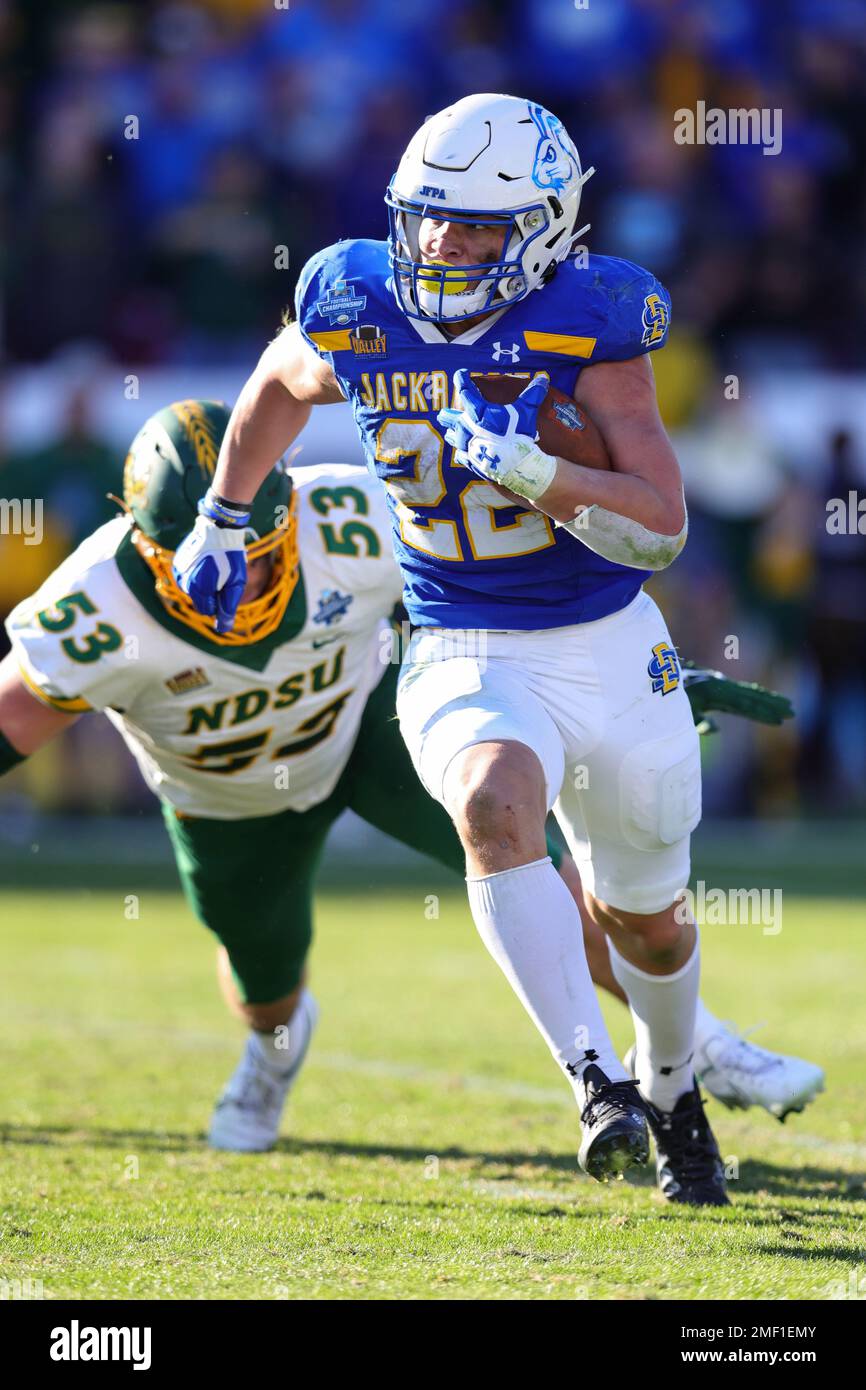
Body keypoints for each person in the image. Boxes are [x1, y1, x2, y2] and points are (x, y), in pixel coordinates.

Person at [170, 96, 822, 1201]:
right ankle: (592, 1083)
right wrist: (222, 514)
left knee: (649, 927)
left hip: (606, 638)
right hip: (461, 636)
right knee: (488, 803)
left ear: (545, 231)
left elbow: (659, 523)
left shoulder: (590, 319)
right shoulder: (358, 298)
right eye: (428, 218)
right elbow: (281, 381)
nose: (442, 244)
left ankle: (670, 1089)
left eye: (476, 226)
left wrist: (541, 475)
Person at [0, 400, 822, 1159]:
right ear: (141, 541)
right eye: (216, 555)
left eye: (259, 551)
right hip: (229, 797)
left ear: (286, 516)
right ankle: (271, 1051)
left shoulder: (348, 515)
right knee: (266, 987)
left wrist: (635, 681)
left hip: (367, 728)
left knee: (540, 864)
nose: (243, 580)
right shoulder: (96, 610)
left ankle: (695, 1043)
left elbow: (502, 590)